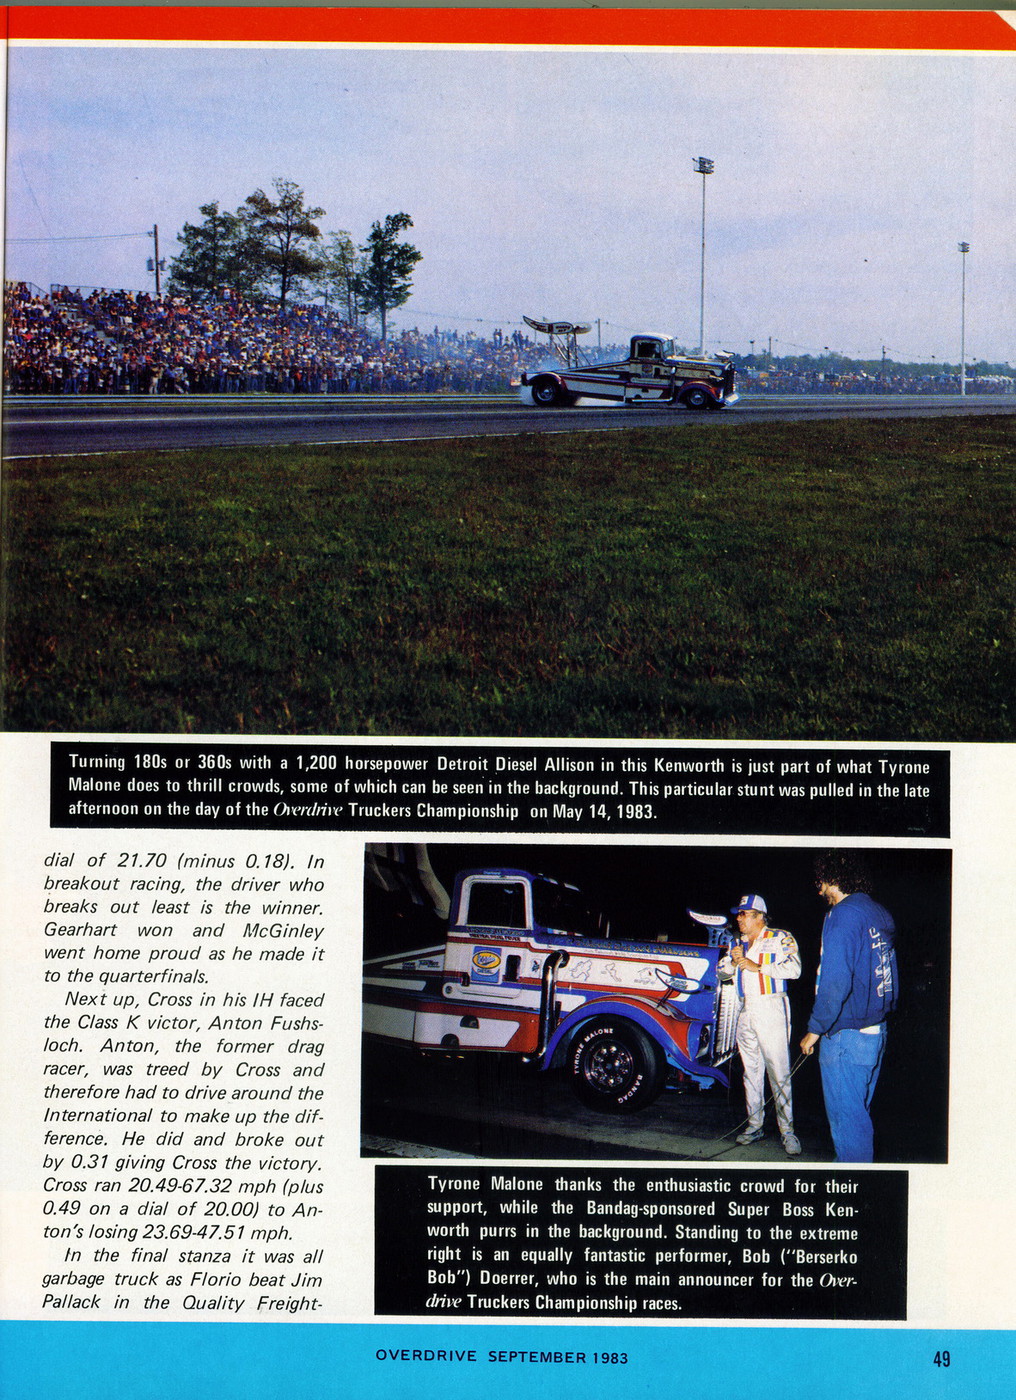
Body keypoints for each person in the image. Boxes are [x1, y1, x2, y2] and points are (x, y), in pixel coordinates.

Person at [800, 852, 898, 1163]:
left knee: (848, 1124)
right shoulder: (878, 912)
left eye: (820, 883)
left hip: (846, 1036)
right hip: (875, 1033)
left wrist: (815, 1030)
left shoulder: (843, 914)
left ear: (831, 879)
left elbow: (835, 981)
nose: (820, 892)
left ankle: (854, 1189)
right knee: (858, 1116)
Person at [721, 894, 802, 1156]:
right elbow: (721, 972)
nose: (738, 918)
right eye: (739, 913)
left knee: (779, 1071)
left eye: (743, 914)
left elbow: (795, 968)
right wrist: (733, 962)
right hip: (746, 1010)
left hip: (771, 1006)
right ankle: (755, 1126)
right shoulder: (737, 942)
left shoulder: (780, 937)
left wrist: (759, 967)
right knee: (750, 1071)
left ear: (759, 916)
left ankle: (787, 1131)